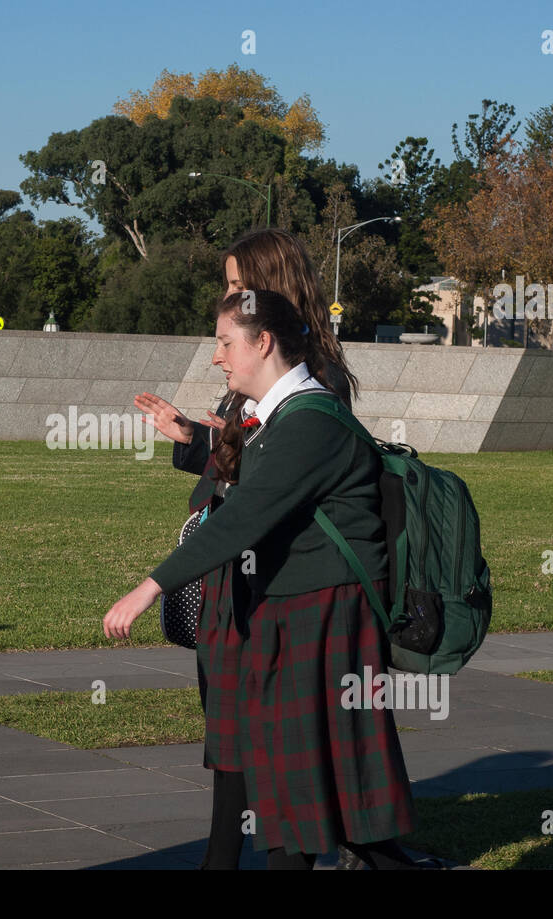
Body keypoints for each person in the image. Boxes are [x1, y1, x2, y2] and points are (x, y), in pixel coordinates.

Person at [106, 288, 419, 870]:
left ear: (264, 341)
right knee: (290, 792)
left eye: (226, 342)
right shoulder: (281, 418)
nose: (218, 356)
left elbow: (246, 516)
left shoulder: (309, 420)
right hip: (292, 612)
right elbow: (258, 476)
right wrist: (197, 439)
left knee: (333, 795)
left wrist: (150, 587)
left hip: (323, 619)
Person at [132, 227, 359, 869]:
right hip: (238, 583)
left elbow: (274, 487)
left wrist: (151, 584)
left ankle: (361, 845)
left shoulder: (315, 382)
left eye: (238, 284)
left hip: (282, 592)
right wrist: (193, 439)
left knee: (279, 757)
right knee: (233, 749)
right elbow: (247, 466)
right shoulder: (255, 376)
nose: (229, 294)